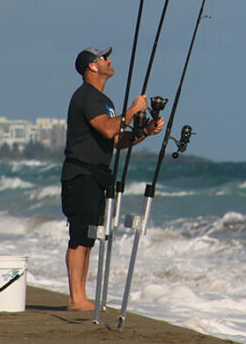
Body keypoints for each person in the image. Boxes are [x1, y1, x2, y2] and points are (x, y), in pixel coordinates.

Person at [60, 46, 164, 311]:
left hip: (97, 174)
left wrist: (146, 132)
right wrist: (131, 111)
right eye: (104, 58)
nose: (110, 60)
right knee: (79, 235)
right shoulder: (85, 96)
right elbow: (108, 128)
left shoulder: (104, 101)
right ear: (92, 67)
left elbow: (117, 140)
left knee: (90, 238)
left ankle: (80, 296)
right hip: (80, 173)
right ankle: (76, 298)